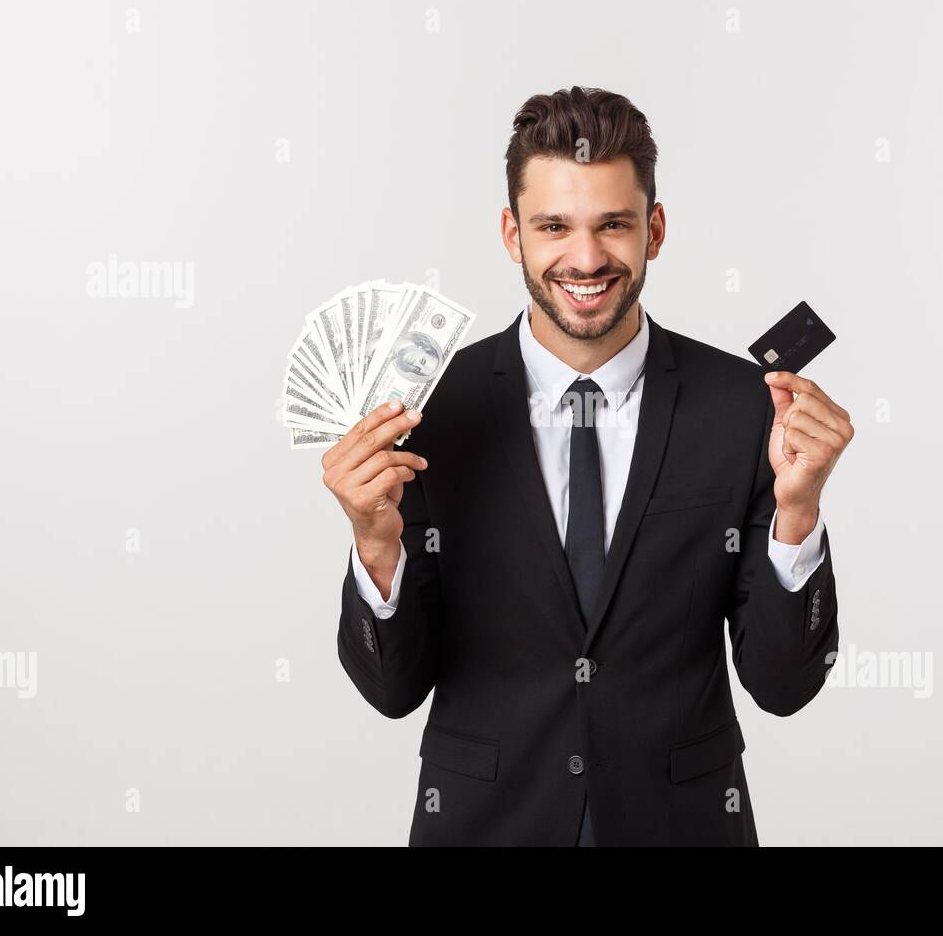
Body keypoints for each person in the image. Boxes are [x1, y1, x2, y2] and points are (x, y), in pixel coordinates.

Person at [323, 86, 854, 846]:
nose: (586, 258)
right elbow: (392, 690)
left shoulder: (743, 409)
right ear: (512, 234)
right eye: (553, 226)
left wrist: (798, 514)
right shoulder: (426, 411)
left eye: (613, 224)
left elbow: (783, 686)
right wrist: (376, 547)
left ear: (655, 229)